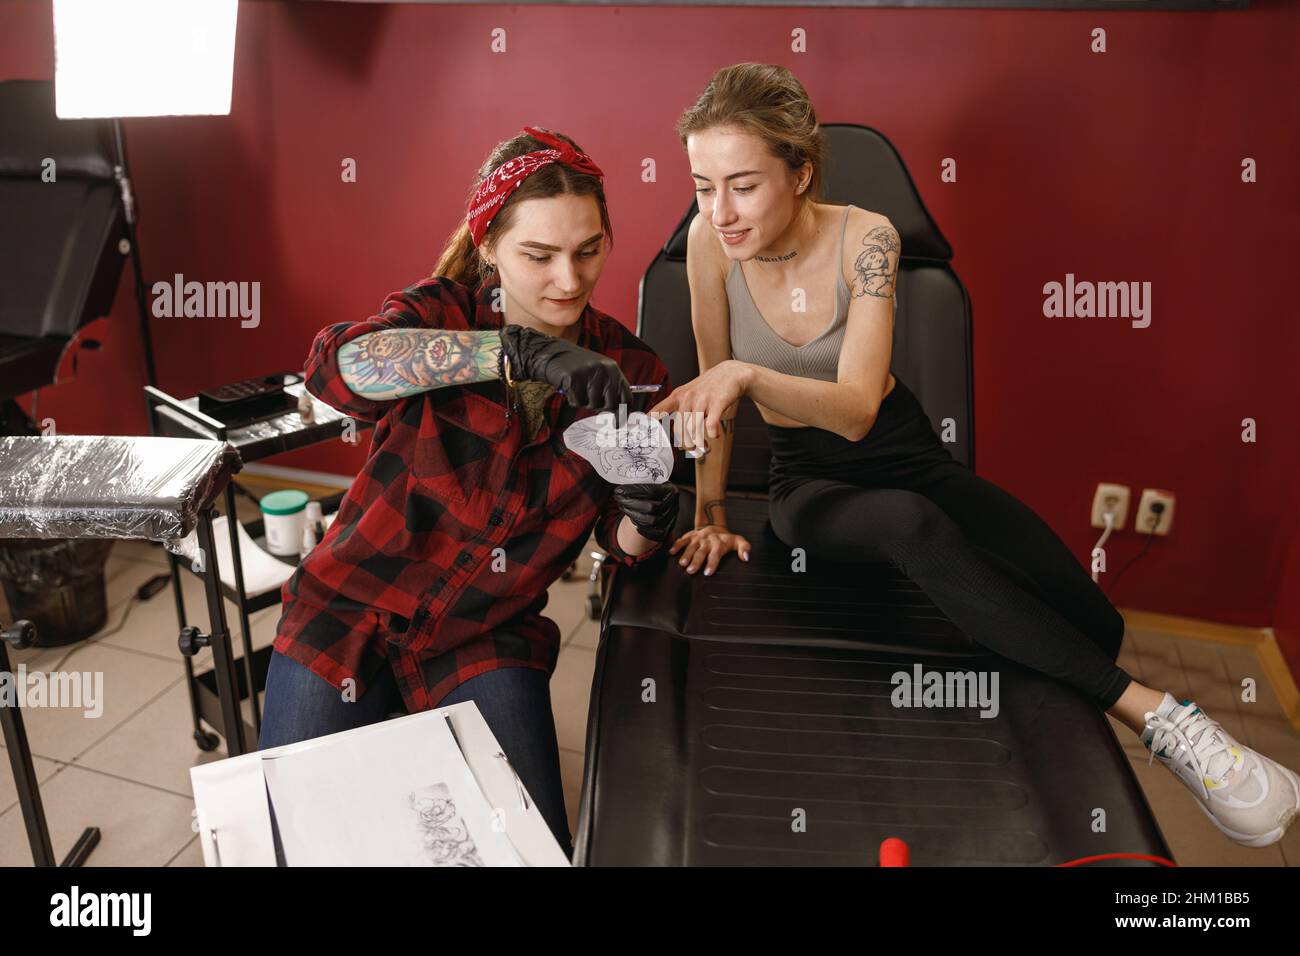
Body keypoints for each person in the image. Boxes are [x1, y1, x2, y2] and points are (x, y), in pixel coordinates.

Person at [649, 63, 1299, 849]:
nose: (718, 211)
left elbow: (857, 412)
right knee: (913, 528)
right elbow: (712, 400)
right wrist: (712, 512)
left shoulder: (871, 240)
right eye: (702, 185)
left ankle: (1090, 686)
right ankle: (1163, 719)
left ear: (801, 172)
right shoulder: (709, 249)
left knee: (1095, 620)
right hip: (808, 480)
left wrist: (749, 373)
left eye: (742, 185)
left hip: (902, 447)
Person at [260, 126, 680, 858]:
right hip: (350, 604)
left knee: (529, 849)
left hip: (487, 631)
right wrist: (509, 352)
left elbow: (618, 544)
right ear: (488, 246)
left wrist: (647, 516)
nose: (570, 280)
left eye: (588, 249)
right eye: (538, 255)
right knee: (298, 837)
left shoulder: (632, 371)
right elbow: (338, 371)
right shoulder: (443, 316)